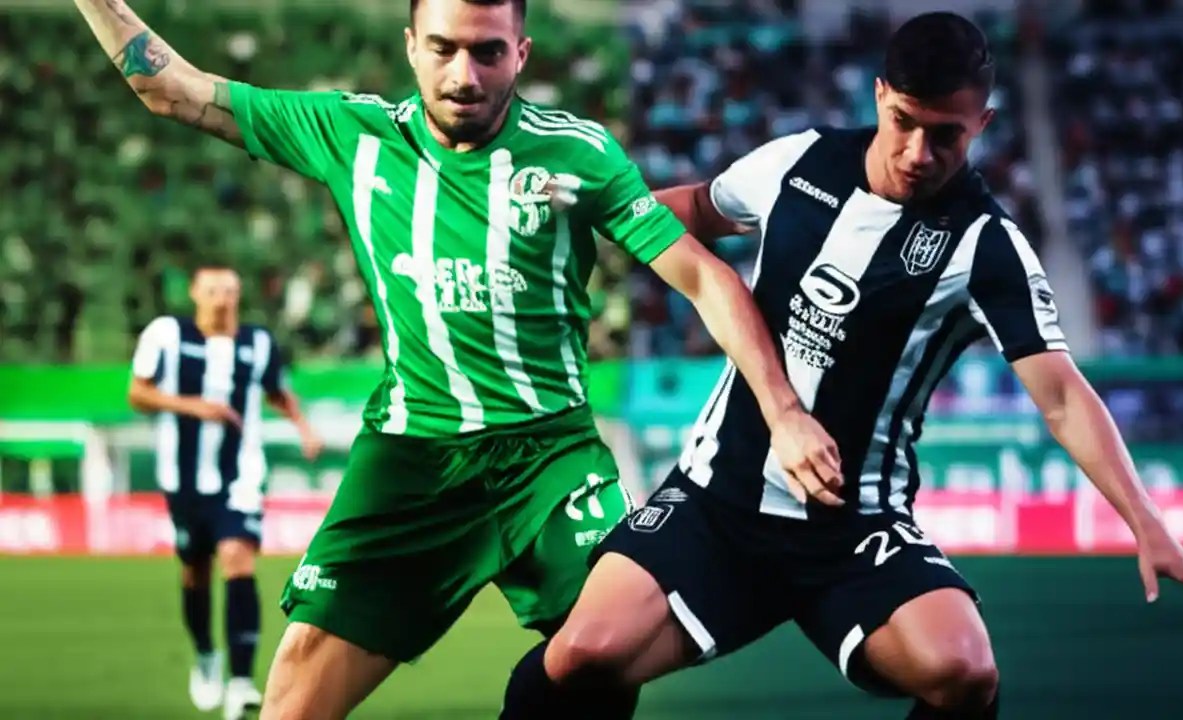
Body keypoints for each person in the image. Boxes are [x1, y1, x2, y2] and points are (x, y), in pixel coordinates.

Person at [74, 0, 840, 717]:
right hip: (413, 461)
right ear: (411, 46)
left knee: (606, 664)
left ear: (521, 53)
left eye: (487, 52)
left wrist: (784, 414)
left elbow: (702, 276)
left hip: (551, 460)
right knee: (294, 699)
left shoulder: (576, 154)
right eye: (442, 49)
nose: (463, 74)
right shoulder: (351, 134)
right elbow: (171, 88)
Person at [499, 12, 1183, 720]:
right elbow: (695, 205)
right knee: (581, 655)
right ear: (880, 95)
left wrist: (1147, 522)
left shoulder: (987, 246)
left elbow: (1063, 398)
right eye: (904, 122)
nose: (919, 153)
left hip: (855, 527)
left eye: (946, 135)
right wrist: (584, 212)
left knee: (966, 671)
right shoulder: (798, 162)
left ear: (982, 123)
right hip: (717, 502)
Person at [128, 265, 321, 719]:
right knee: (195, 570)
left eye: (231, 290)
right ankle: (205, 654)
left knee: (237, 557)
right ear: (195, 293)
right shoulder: (167, 335)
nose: (222, 298)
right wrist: (192, 406)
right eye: (213, 290)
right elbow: (137, 394)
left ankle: (240, 682)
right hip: (184, 480)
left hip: (240, 476)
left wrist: (303, 426)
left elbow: (276, 391)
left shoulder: (258, 342)